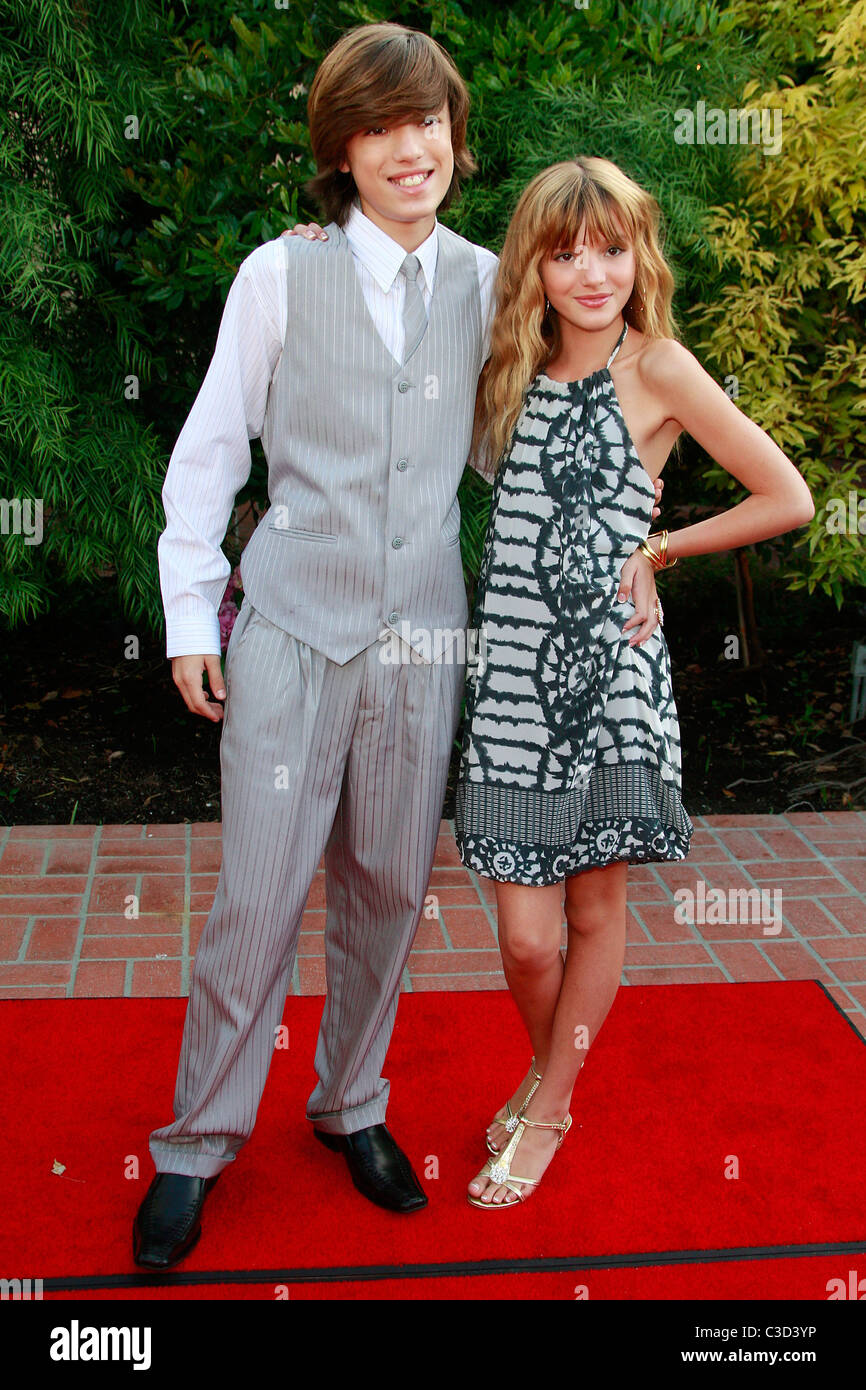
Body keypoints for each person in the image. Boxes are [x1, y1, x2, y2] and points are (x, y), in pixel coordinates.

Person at [132, 20, 505, 1270]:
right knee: (257, 897)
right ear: (341, 148)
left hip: (422, 640)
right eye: (381, 126)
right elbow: (207, 453)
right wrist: (192, 615)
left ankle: (352, 1102)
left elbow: (507, 454)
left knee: (392, 888)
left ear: (455, 134)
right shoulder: (277, 276)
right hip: (290, 630)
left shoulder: (487, 281)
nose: (412, 147)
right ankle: (194, 1140)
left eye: (429, 122)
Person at [450, 156, 815, 1209]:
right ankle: (548, 1069)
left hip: (609, 675)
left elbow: (783, 493)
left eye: (609, 250)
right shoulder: (506, 365)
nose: (591, 273)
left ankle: (549, 1106)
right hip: (513, 677)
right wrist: (321, 244)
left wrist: (657, 552)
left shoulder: (658, 367)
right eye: (564, 255)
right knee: (525, 937)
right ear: (535, 267)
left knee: (593, 909)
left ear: (636, 253)